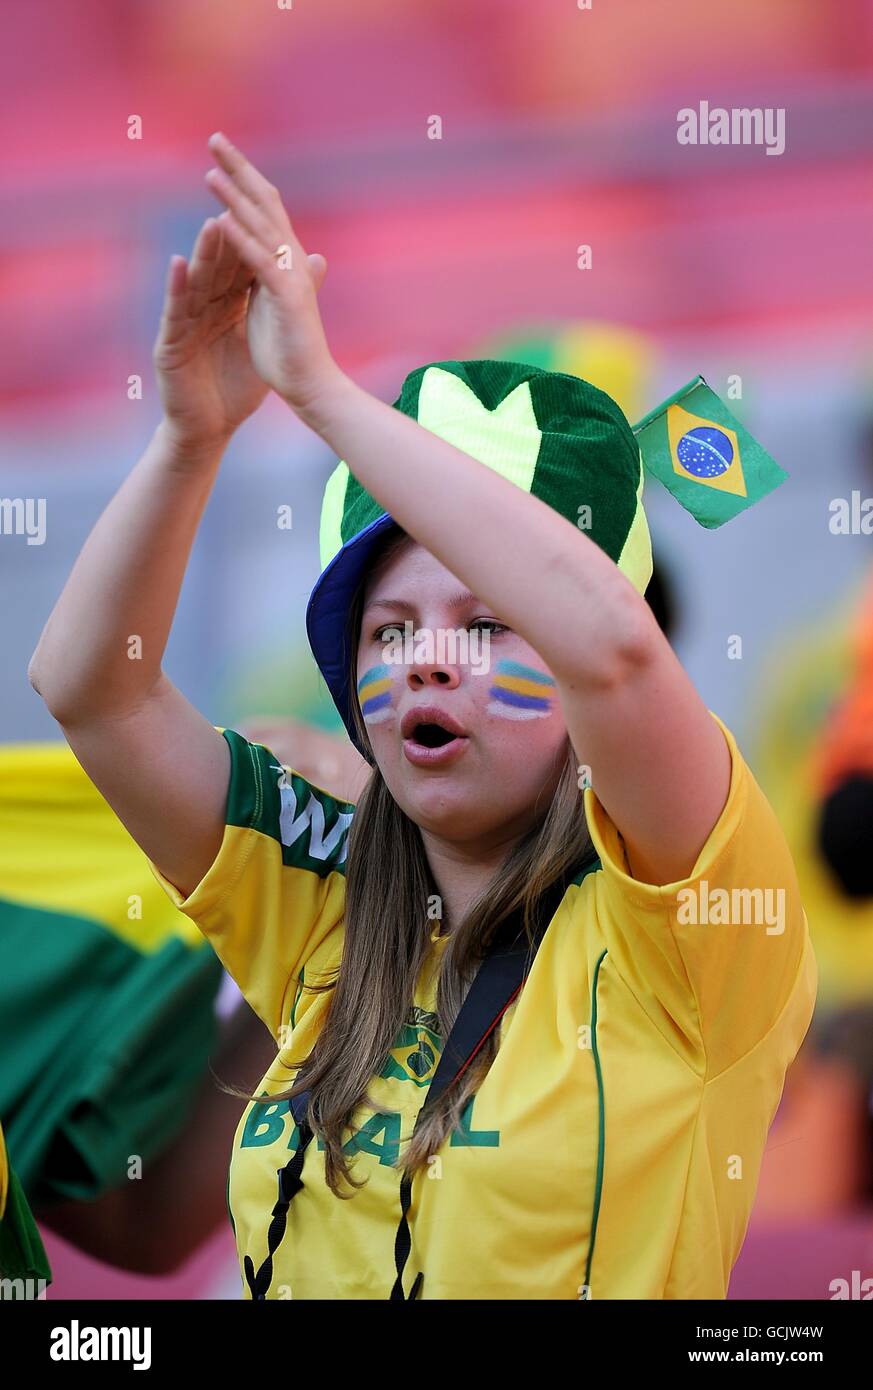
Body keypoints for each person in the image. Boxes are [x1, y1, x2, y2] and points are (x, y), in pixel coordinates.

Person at [28, 131, 816, 1300]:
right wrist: (194, 437)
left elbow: (613, 653)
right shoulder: (312, 888)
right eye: (390, 632)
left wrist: (326, 397)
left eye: (488, 622)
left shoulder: (685, 924)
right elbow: (93, 685)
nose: (428, 662)